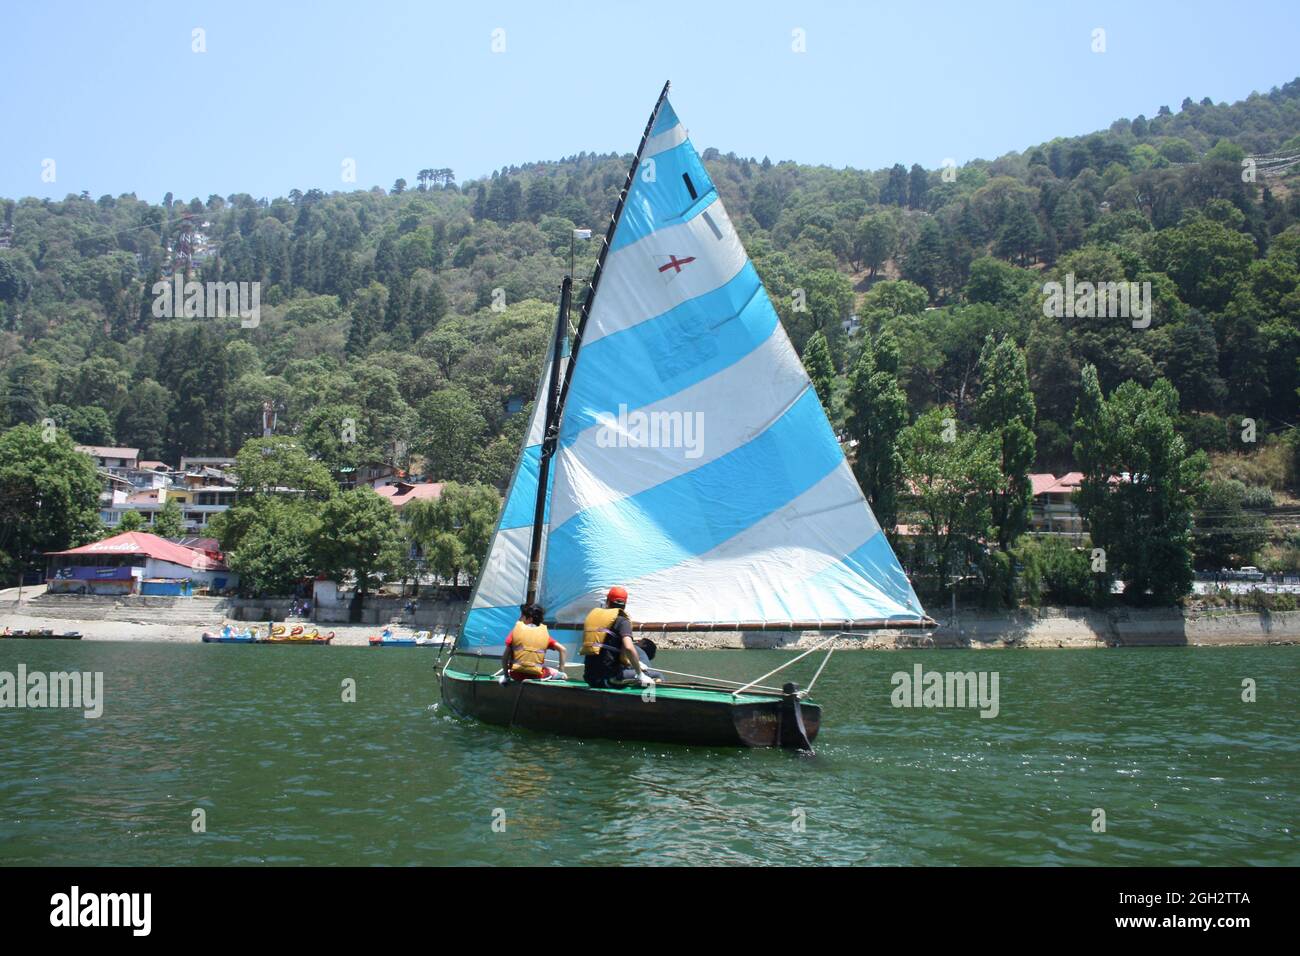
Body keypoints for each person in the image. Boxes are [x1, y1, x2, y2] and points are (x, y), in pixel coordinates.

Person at [581, 586, 657, 688]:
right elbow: (629, 647)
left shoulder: (595, 619)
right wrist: (640, 674)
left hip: (590, 677)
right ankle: (650, 700)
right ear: (624, 605)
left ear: (607, 602)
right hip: (610, 678)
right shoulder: (622, 621)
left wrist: (635, 663)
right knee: (656, 675)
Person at [501, 603, 566, 682]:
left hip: (516, 676)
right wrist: (561, 671)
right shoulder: (544, 636)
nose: (520, 618)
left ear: (530, 619)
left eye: (522, 616)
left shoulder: (515, 633)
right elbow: (563, 650)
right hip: (535, 676)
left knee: (508, 670)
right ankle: (559, 674)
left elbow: (504, 658)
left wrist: (506, 676)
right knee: (553, 671)